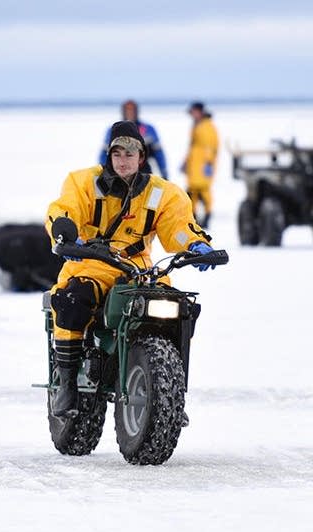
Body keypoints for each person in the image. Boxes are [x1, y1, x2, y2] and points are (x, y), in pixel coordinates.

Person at [45, 120, 218, 417]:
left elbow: (178, 226)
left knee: (180, 309)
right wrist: (65, 234)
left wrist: (195, 244)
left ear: (141, 157)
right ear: (109, 156)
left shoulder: (163, 193)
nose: (123, 160)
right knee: (73, 299)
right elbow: (64, 210)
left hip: (138, 269)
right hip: (92, 263)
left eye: (130, 153)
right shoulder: (83, 183)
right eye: (117, 153)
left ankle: (169, 392)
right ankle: (68, 385)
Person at [97, 99, 169, 179]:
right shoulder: (113, 130)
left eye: (132, 110)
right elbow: (104, 153)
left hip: (143, 171)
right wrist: (102, 172)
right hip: (119, 173)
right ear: (123, 111)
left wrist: (164, 172)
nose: (130, 113)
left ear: (137, 111)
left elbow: (159, 153)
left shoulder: (148, 129)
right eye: (127, 110)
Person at [181, 100, 219, 228]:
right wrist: (186, 162)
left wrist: (208, 163)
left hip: (202, 165)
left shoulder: (206, 126)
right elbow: (192, 147)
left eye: (194, 112)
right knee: (193, 191)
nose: (192, 115)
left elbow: (210, 145)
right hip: (195, 164)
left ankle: (207, 216)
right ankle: (193, 217)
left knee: (203, 190)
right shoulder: (197, 125)